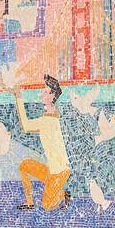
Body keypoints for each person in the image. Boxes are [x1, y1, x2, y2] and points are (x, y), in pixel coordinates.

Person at [15, 75, 73, 212]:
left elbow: (26, 125)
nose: (41, 95)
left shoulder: (48, 121)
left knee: (47, 206)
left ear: (53, 96)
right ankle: (29, 202)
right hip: (53, 171)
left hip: (60, 173)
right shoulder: (51, 116)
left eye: (45, 92)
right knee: (24, 166)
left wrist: (18, 96)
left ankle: (63, 194)